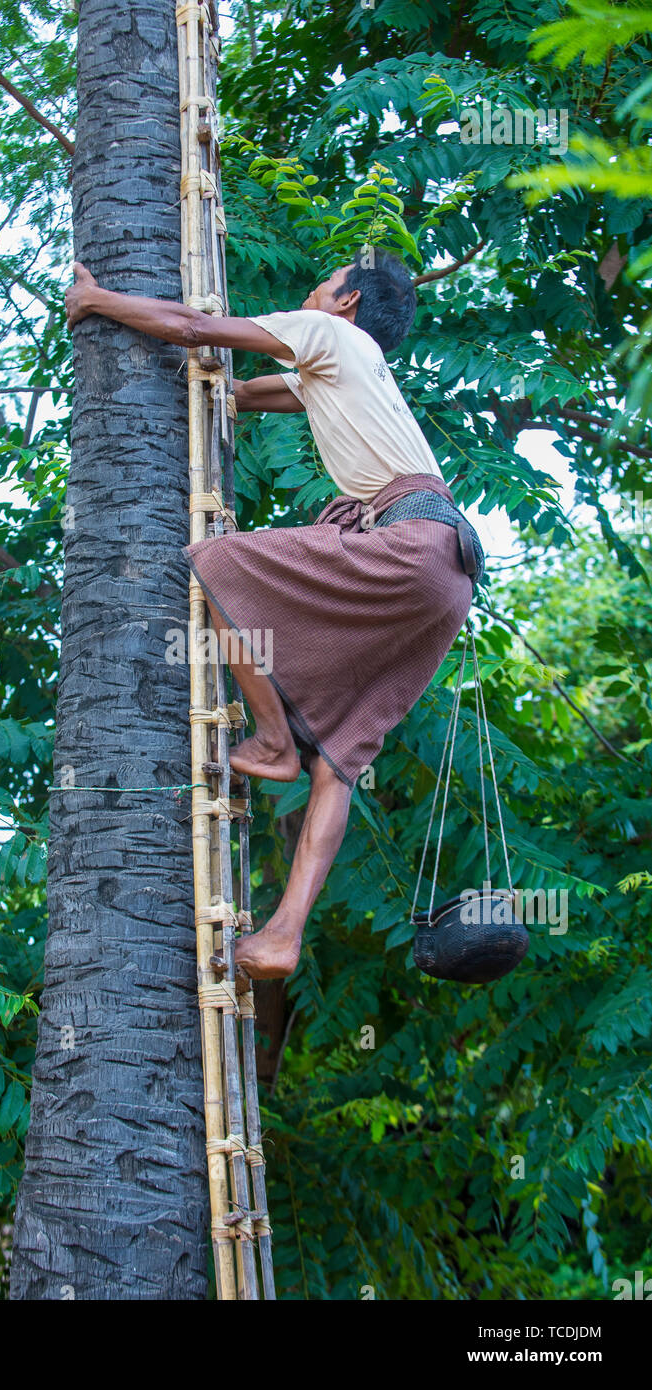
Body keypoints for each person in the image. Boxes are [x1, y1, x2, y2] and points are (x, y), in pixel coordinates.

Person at [64, 249, 482, 981]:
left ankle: (269, 740)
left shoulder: (328, 335)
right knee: (340, 762)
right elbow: (245, 392)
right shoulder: (353, 368)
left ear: (346, 303)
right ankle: (282, 936)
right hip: (449, 576)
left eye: (319, 282)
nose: (308, 290)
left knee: (223, 562)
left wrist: (98, 303)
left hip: (412, 543)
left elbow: (197, 328)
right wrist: (213, 388)